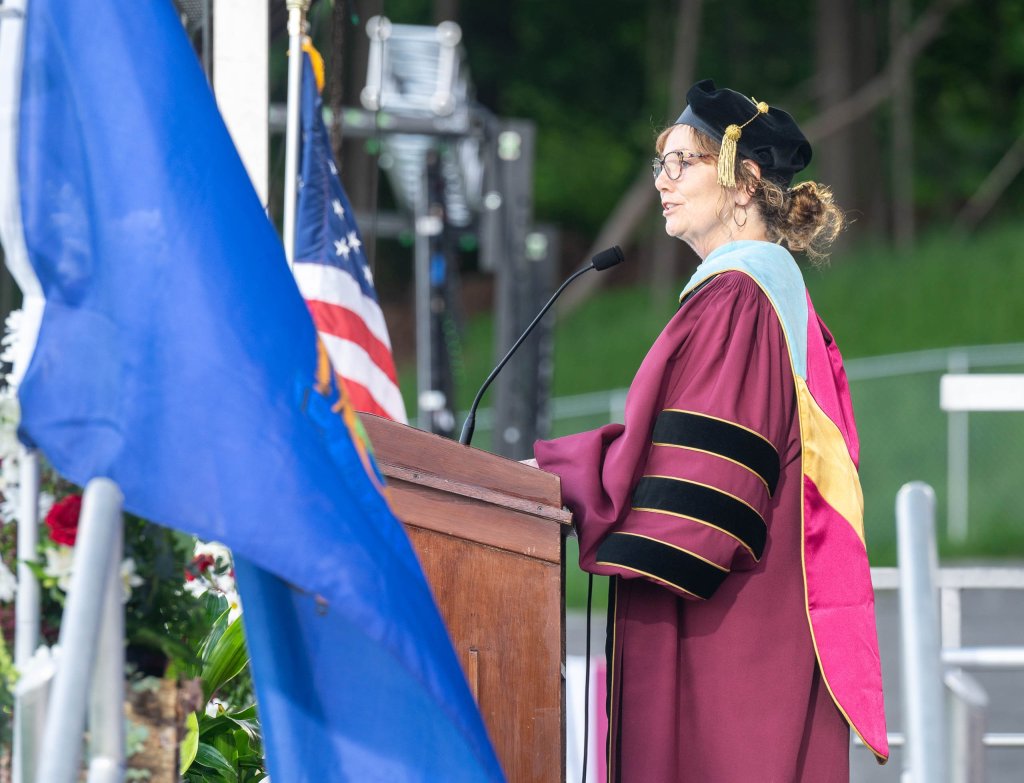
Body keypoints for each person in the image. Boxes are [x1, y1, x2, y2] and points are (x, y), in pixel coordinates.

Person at [532, 80, 889, 781]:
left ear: (743, 181)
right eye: (659, 164)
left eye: (682, 162)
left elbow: (700, 492)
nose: (662, 182)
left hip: (725, 649)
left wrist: (557, 479)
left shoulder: (739, 302)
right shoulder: (762, 299)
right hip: (759, 633)